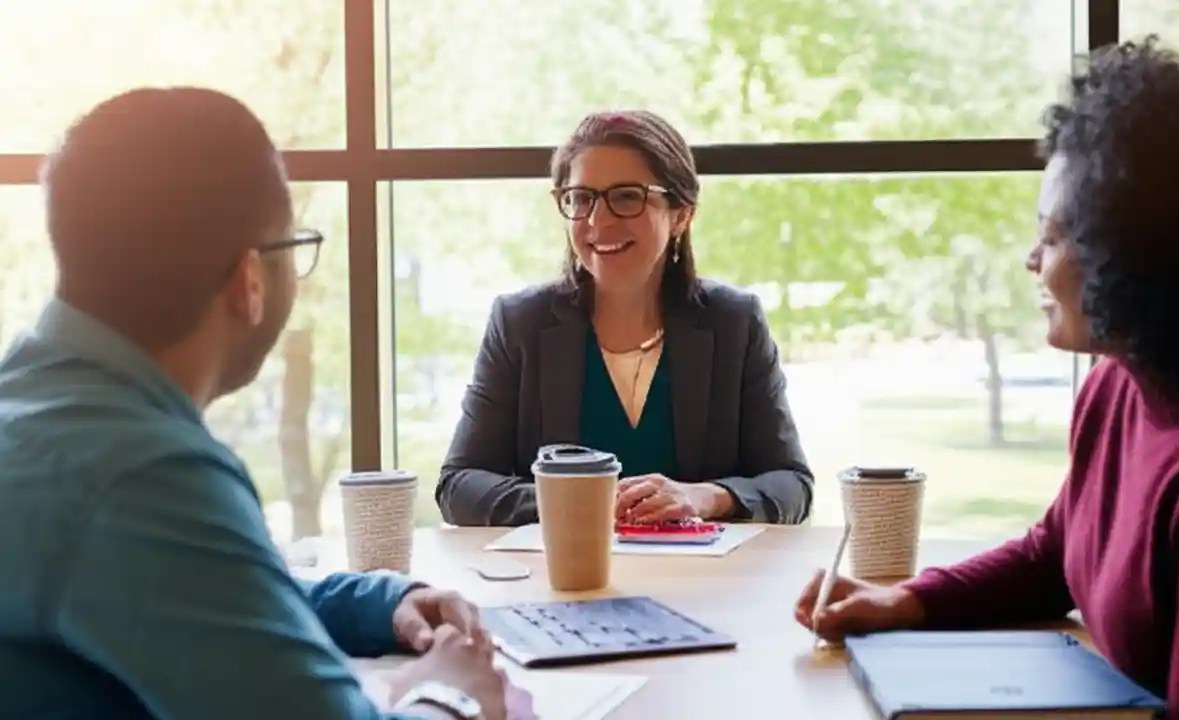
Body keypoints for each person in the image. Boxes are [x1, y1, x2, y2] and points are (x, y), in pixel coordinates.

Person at [794, 37, 1179, 720]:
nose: (1031, 259)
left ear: (1132, 251)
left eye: (1052, 237)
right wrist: (906, 600)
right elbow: (1054, 554)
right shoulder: (1119, 388)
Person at [0, 88, 516, 720]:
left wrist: (372, 605)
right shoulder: (138, 473)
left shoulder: (34, 414)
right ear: (249, 282)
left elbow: (186, 593)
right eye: (292, 248)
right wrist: (454, 694)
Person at [436, 110, 813, 527]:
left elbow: (792, 485)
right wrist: (582, 502)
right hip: (557, 580)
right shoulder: (519, 323)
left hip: (703, 583)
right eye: (581, 198)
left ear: (681, 214)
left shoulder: (734, 323)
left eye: (627, 197)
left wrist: (705, 497)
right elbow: (459, 485)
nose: (599, 221)